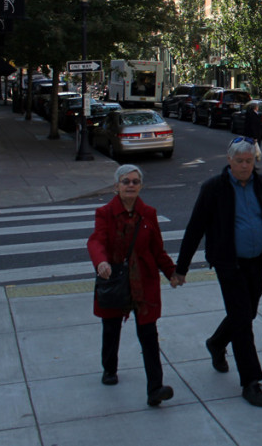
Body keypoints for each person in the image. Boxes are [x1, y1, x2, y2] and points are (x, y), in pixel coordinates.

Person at [173, 137, 262, 408]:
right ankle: (251, 381)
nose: (245, 166)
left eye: (249, 161)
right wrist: (181, 268)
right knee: (242, 321)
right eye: (240, 161)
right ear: (229, 160)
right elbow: (195, 228)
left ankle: (216, 342)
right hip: (228, 263)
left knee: (246, 313)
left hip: (255, 261)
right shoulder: (214, 188)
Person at [87, 164, 177, 407]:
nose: (130, 185)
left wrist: (172, 272)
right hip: (115, 279)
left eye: (135, 181)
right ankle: (109, 368)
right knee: (111, 327)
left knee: (149, 334)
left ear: (141, 186)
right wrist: (101, 262)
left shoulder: (148, 213)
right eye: (125, 181)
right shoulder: (104, 213)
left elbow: (157, 249)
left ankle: (155, 389)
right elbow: (96, 241)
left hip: (143, 283)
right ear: (116, 186)